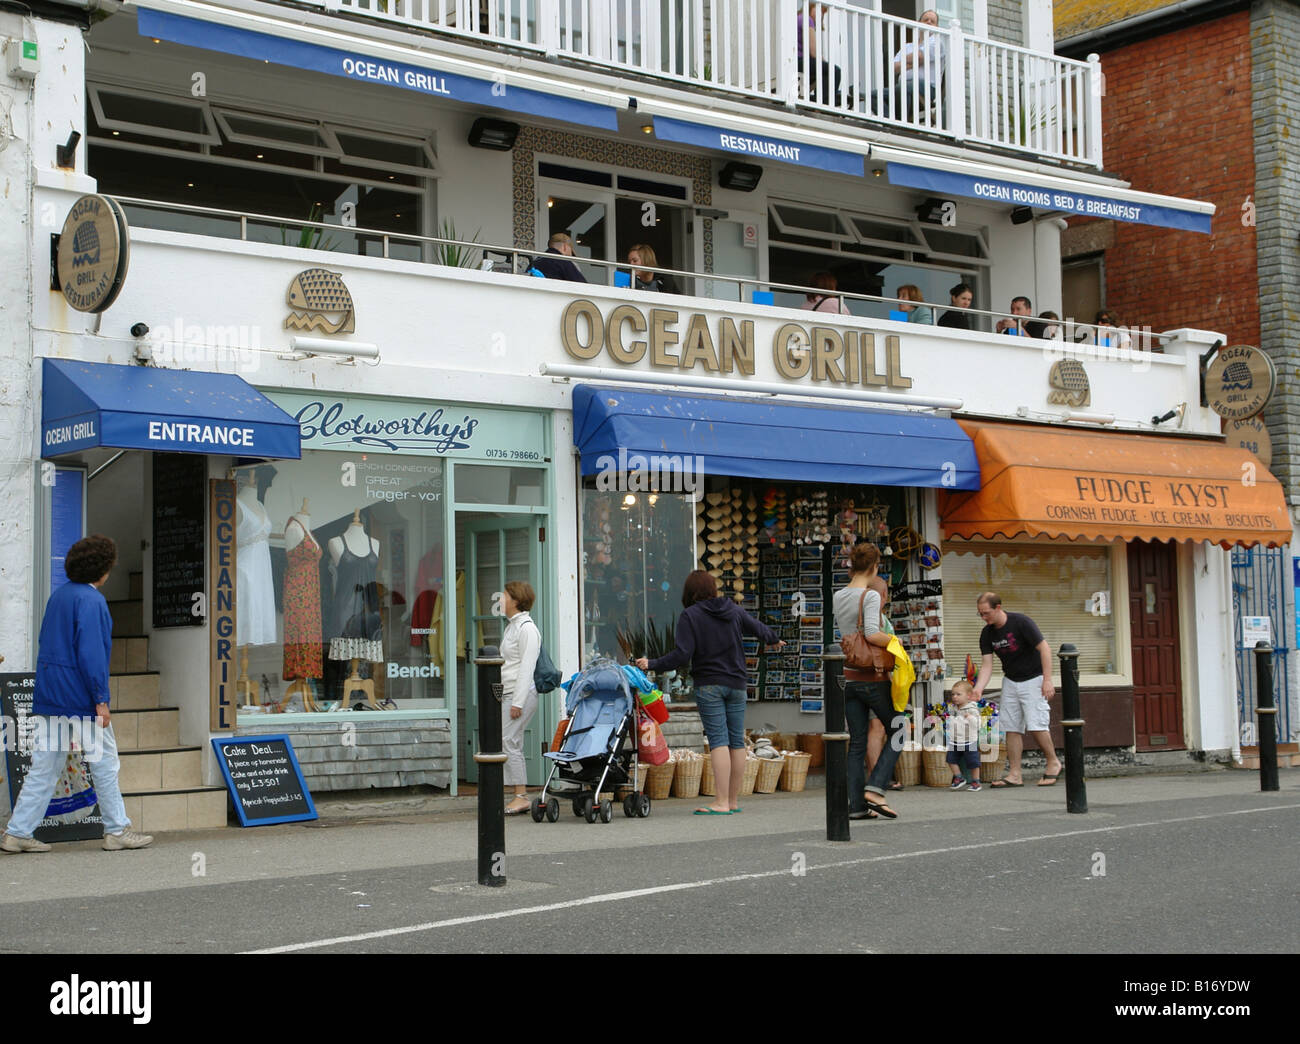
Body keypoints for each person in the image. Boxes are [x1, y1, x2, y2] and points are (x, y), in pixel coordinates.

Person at [1, 535, 153, 853]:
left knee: (44, 766)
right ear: (103, 568)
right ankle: (116, 829)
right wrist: (101, 700)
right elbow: (92, 655)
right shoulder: (92, 601)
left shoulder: (58, 597)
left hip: (50, 694)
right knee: (105, 762)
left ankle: (17, 832)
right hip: (80, 699)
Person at [636, 571, 783, 815]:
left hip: (710, 685)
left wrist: (652, 663)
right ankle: (732, 801)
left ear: (689, 592)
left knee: (718, 741)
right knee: (736, 742)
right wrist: (774, 639)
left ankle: (721, 802)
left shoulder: (690, 615)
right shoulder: (733, 609)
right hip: (737, 683)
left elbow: (682, 655)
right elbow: (757, 627)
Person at [833, 543, 903, 820]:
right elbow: (873, 634)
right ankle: (875, 788)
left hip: (849, 677)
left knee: (858, 742)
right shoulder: (871, 596)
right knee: (898, 730)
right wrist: (897, 644)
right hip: (873, 677)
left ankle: (857, 806)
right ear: (875, 567)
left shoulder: (839, 595)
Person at [972, 592, 1063, 788]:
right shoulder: (986, 633)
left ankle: (1053, 762)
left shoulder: (1021, 622)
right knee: (1011, 727)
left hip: (1033, 678)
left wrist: (1047, 680)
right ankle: (1014, 774)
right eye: (980, 614)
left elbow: (1045, 649)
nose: (983, 618)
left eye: (986, 613)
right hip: (1011, 680)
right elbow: (987, 664)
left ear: (998, 608)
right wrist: (978, 688)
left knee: (1036, 724)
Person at [501, 580, 542, 815]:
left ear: (515, 600)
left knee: (509, 741)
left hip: (520, 695)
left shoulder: (527, 628)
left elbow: (526, 668)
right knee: (511, 741)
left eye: (504, 595)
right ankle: (518, 793)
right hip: (509, 693)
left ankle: (521, 795)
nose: (500, 599)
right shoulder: (512, 626)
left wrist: (517, 702)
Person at [863, 572, 905, 792]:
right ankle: (877, 777)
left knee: (872, 728)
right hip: (876, 677)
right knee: (878, 728)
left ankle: (875, 775)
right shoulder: (877, 619)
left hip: (861, 678)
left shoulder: (858, 616)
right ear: (883, 595)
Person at [873, 10, 944, 121]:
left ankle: (901, 122)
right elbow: (893, 68)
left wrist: (909, 60)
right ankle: (891, 121)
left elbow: (919, 57)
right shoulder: (907, 46)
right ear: (918, 23)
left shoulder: (937, 43)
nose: (929, 22)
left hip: (926, 86)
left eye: (932, 21)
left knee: (904, 87)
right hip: (903, 87)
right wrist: (915, 60)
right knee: (872, 95)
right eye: (926, 20)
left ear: (937, 26)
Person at [797, 2, 843, 106]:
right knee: (834, 71)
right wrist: (824, 62)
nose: (821, 15)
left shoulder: (798, 18)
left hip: (796, 62)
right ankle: (824, 105)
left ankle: (818, 101)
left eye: (823, 12)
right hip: (799, 62)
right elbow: (814, 52)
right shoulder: (806, 19)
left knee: (823, 71)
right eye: (820, 10)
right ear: (811, 7)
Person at [946, 680, 982, 791]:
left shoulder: (972, 709)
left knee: (973, 762)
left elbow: (978, 724)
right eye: (953, 694)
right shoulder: (954, 709)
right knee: (950, 759)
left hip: (969, 740)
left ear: (968, 696)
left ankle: (976, 781)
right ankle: (959, 777)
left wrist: (970, 718)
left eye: (958, 694)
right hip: (955, 740)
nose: (955, 697)